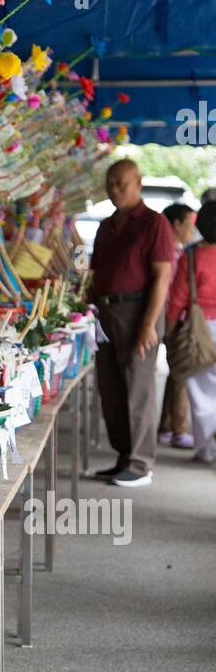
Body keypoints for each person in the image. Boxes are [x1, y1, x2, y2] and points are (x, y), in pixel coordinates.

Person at [89, 159, 175, 486]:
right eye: (110, 183)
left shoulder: (154, 223)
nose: (115, 190)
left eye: (121, 183)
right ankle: (123, 456)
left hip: (138, 312)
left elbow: (162, 277)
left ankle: (140, 464)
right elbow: (96, 275)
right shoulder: (106, 226)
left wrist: (148, 324)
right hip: (105, 313)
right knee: (110, 390)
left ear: (138, 183)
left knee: (138, 389)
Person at [165, 199, 216, 463]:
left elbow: (177, 299)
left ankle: (207, 449)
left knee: (201, 393)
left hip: (200, 331)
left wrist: (170, 332)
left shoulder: (192, 256)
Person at [157, 203, 197, 449]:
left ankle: (167, 426)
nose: (192, 230)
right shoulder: (171, 255)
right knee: (182, 374)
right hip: (172, 319)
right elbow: (174, 294)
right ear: (176, 224)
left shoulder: (175, 252)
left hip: (169, 319)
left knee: (177, 375)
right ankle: (178, 429)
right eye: (189, 224)